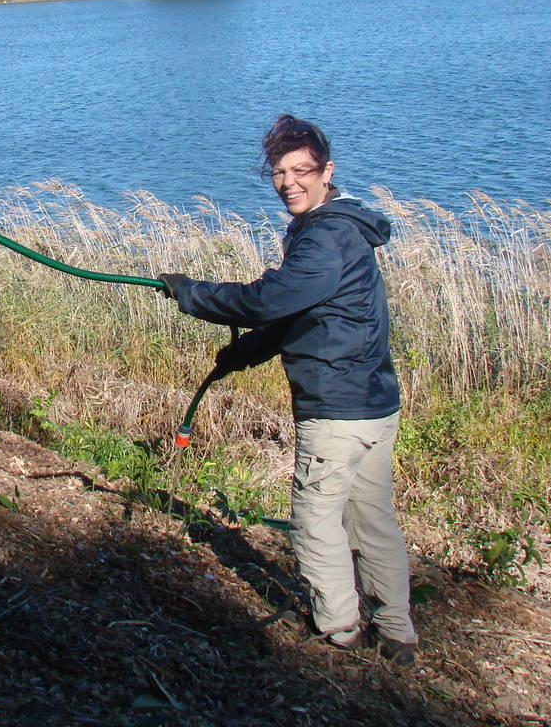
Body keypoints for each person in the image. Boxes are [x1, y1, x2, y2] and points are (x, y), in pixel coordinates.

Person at [156, 114, 417, 665]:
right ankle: (397, 633)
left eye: (301, 171)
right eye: (279, 172)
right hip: (373, 403)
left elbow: (266, 300)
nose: (288, 182)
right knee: (372, 519)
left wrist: (191, 294)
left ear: (328, 172)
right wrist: (246, 353)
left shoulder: (324, 236)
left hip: (338, 410)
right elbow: (300, 313)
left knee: (314, 523)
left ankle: (341, 633)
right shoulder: (338, 230)